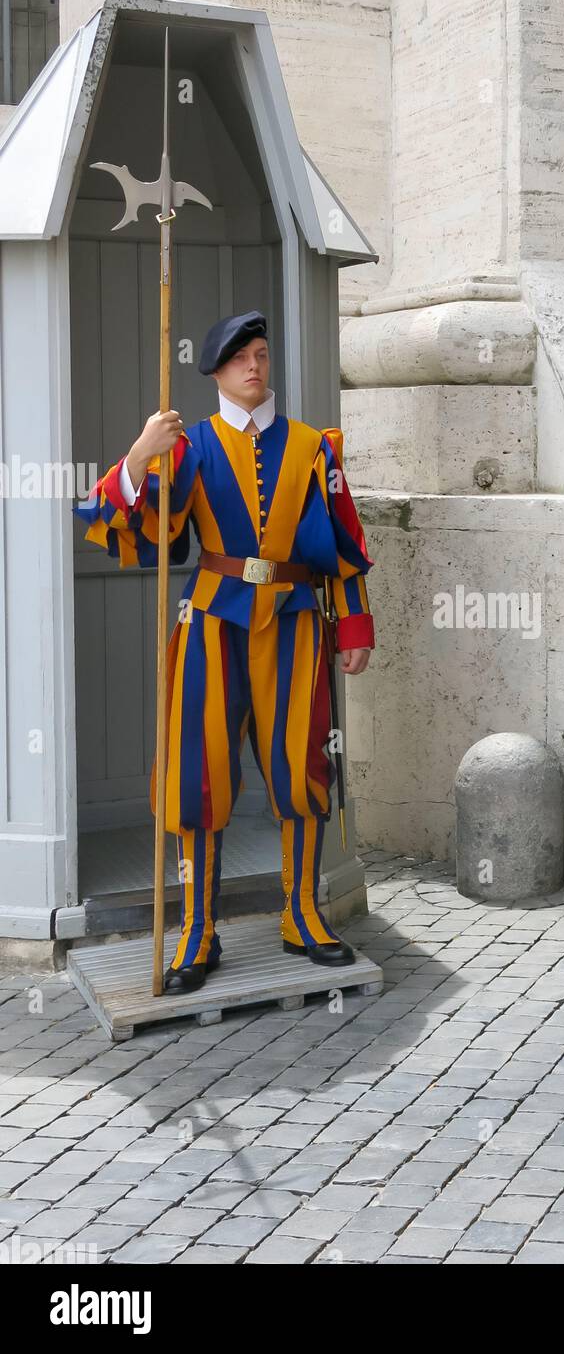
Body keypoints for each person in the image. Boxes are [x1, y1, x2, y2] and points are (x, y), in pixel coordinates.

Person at [75, 310, 375, 993]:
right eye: (240, 357)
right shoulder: (188, 448)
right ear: (214, 371)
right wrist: (140, 456)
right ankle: (198, 929)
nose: (254, 366)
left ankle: (303, 914)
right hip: (210, 621)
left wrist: (353, 625)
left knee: (302, 769)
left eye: (263, 354)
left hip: (298, 619)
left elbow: (345, 541)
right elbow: (132, 527)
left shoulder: (313, 448)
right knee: (198, 776)